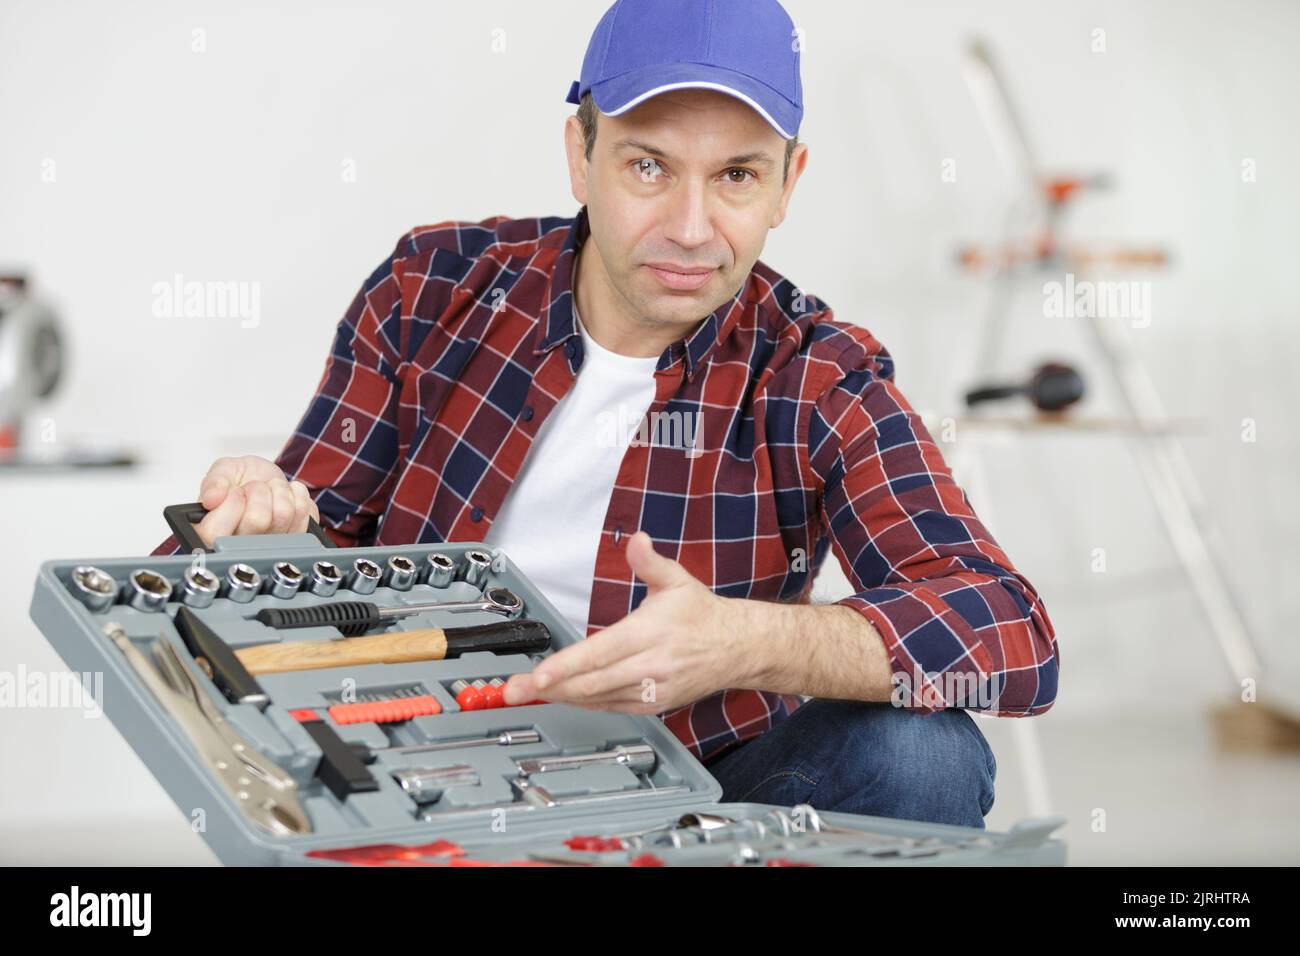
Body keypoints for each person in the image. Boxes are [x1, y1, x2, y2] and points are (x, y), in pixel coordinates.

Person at [153, 0, 1059, 828]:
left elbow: (1009, 634)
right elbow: (284, 560)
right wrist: (254, 526)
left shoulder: (818, 372)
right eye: (649, 165)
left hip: (697, 798)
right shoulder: (432, 289)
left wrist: (745, 642)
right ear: (580, 156)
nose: (693, 227)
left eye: (738, 175)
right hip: (426, 781)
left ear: (789, 184)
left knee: (924, 757)